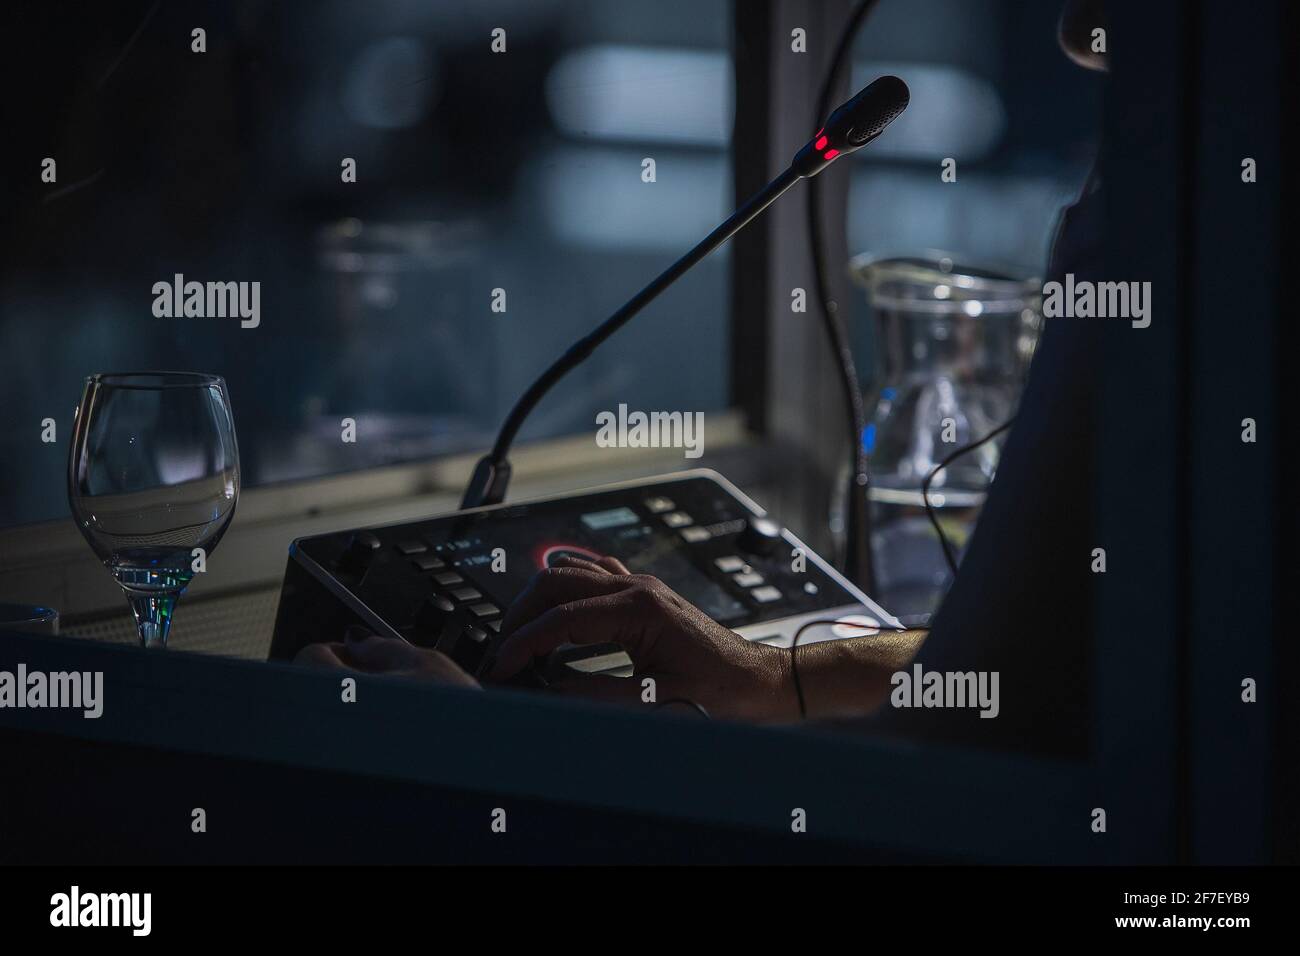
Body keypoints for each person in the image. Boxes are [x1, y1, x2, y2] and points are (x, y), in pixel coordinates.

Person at [298, 0, 1107, 754]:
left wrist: (492, 745)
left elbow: (946, 763)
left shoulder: (1160, 231)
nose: (1077, 29)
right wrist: (776, 678)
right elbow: (1033, 663)